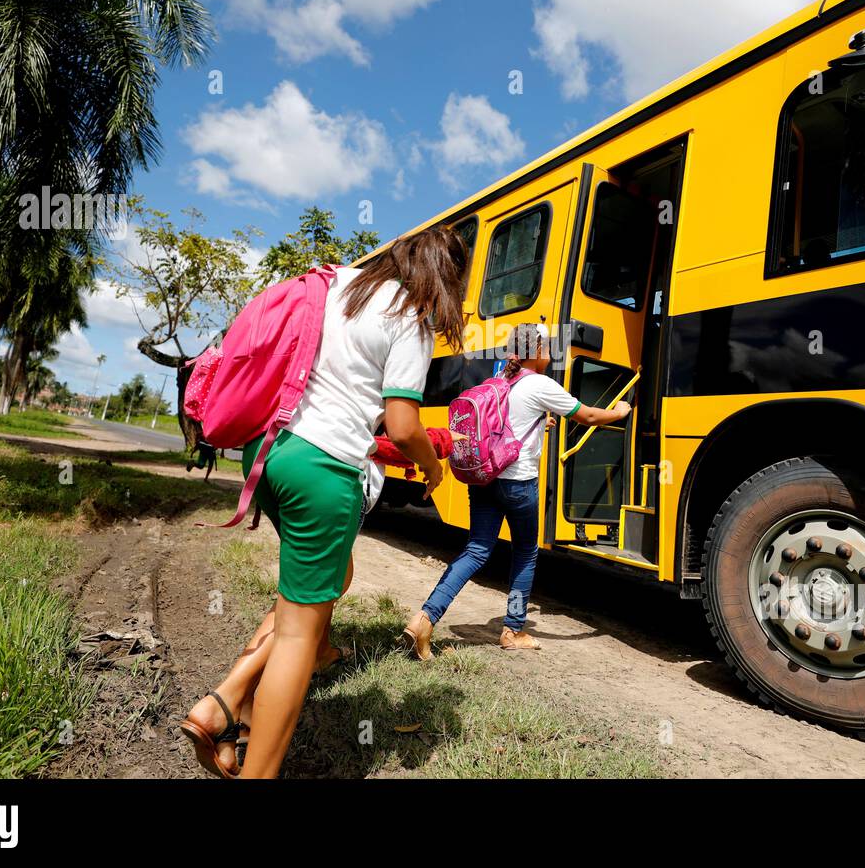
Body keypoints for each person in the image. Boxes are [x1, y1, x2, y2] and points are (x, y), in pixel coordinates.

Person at [178, 224, 468, 779]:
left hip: (269, 454)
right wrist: (432, 468)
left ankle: (229, 705)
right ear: (444, 278)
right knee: (299, 636)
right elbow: (404, 425)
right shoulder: (411, 317)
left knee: (314, 593)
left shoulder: (335, 284)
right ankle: (246, 752)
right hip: (324, 470)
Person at [403, 322, 631, 659]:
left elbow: (508, 422)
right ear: (536, 352)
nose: (553, 351)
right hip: (518, 484)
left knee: (477, 549)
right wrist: (620, 411)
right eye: (548, 346)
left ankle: (424, 619)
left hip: (485, 479)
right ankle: (513, 629)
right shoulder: (541, 384)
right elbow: (589, 416)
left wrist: (542, 422)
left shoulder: (498, 381)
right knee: (525, 552)